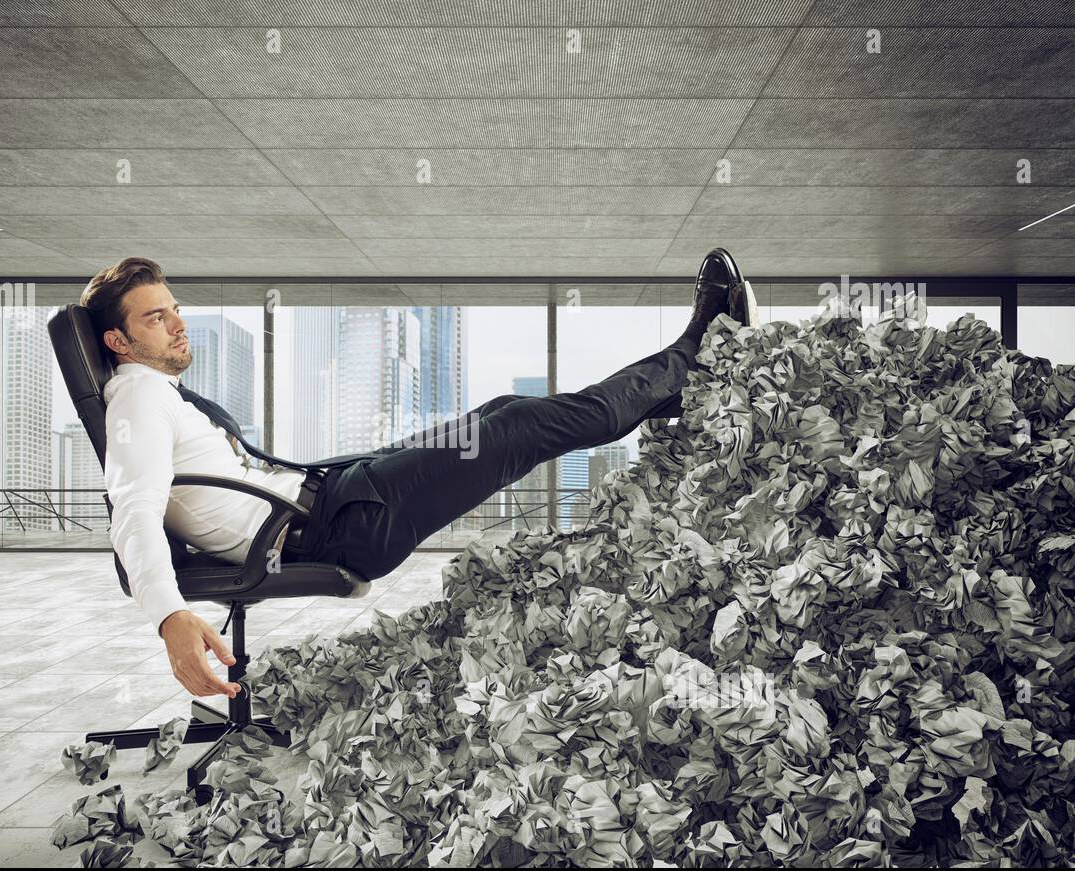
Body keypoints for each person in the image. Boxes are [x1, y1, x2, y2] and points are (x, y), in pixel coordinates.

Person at [83, 251, 756, 698]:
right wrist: (171, 617)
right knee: (517, 429)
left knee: (501, 413)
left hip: (341, 497)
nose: (177, 323)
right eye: (155, 316)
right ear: (118, 341)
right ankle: (695, 352)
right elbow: (133, 512)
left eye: (173, 307)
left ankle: (667, 389)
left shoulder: (152, 391)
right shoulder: (137, 399)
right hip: (340, 523)